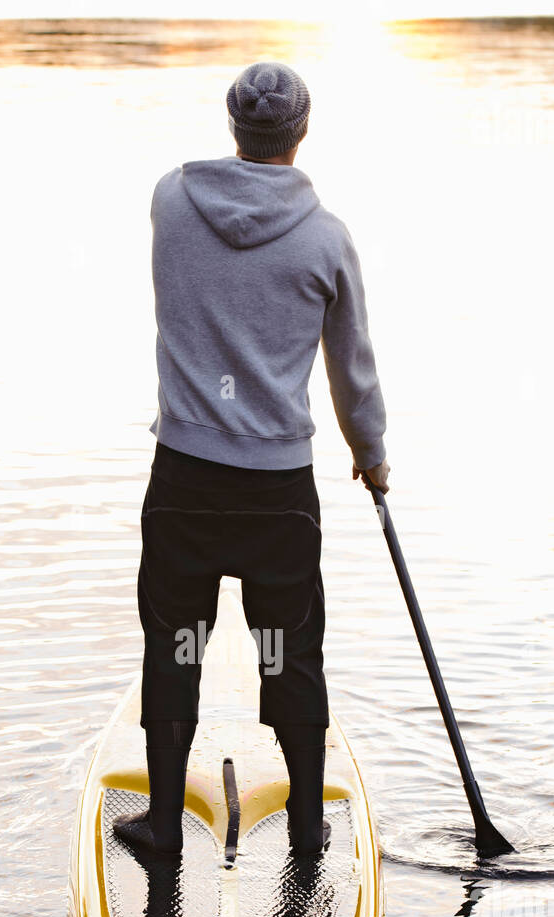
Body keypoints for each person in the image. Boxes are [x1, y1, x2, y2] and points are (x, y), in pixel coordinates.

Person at [114, 60, 389, 859]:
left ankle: (164, 824)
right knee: (287, 650)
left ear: (235, 124)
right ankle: (306, 826)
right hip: (277, 494)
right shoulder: (326, 238)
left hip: (186, 480)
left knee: (177, 642)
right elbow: (353, 367)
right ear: (301, 131)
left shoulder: (171, 199)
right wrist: (370, 455)